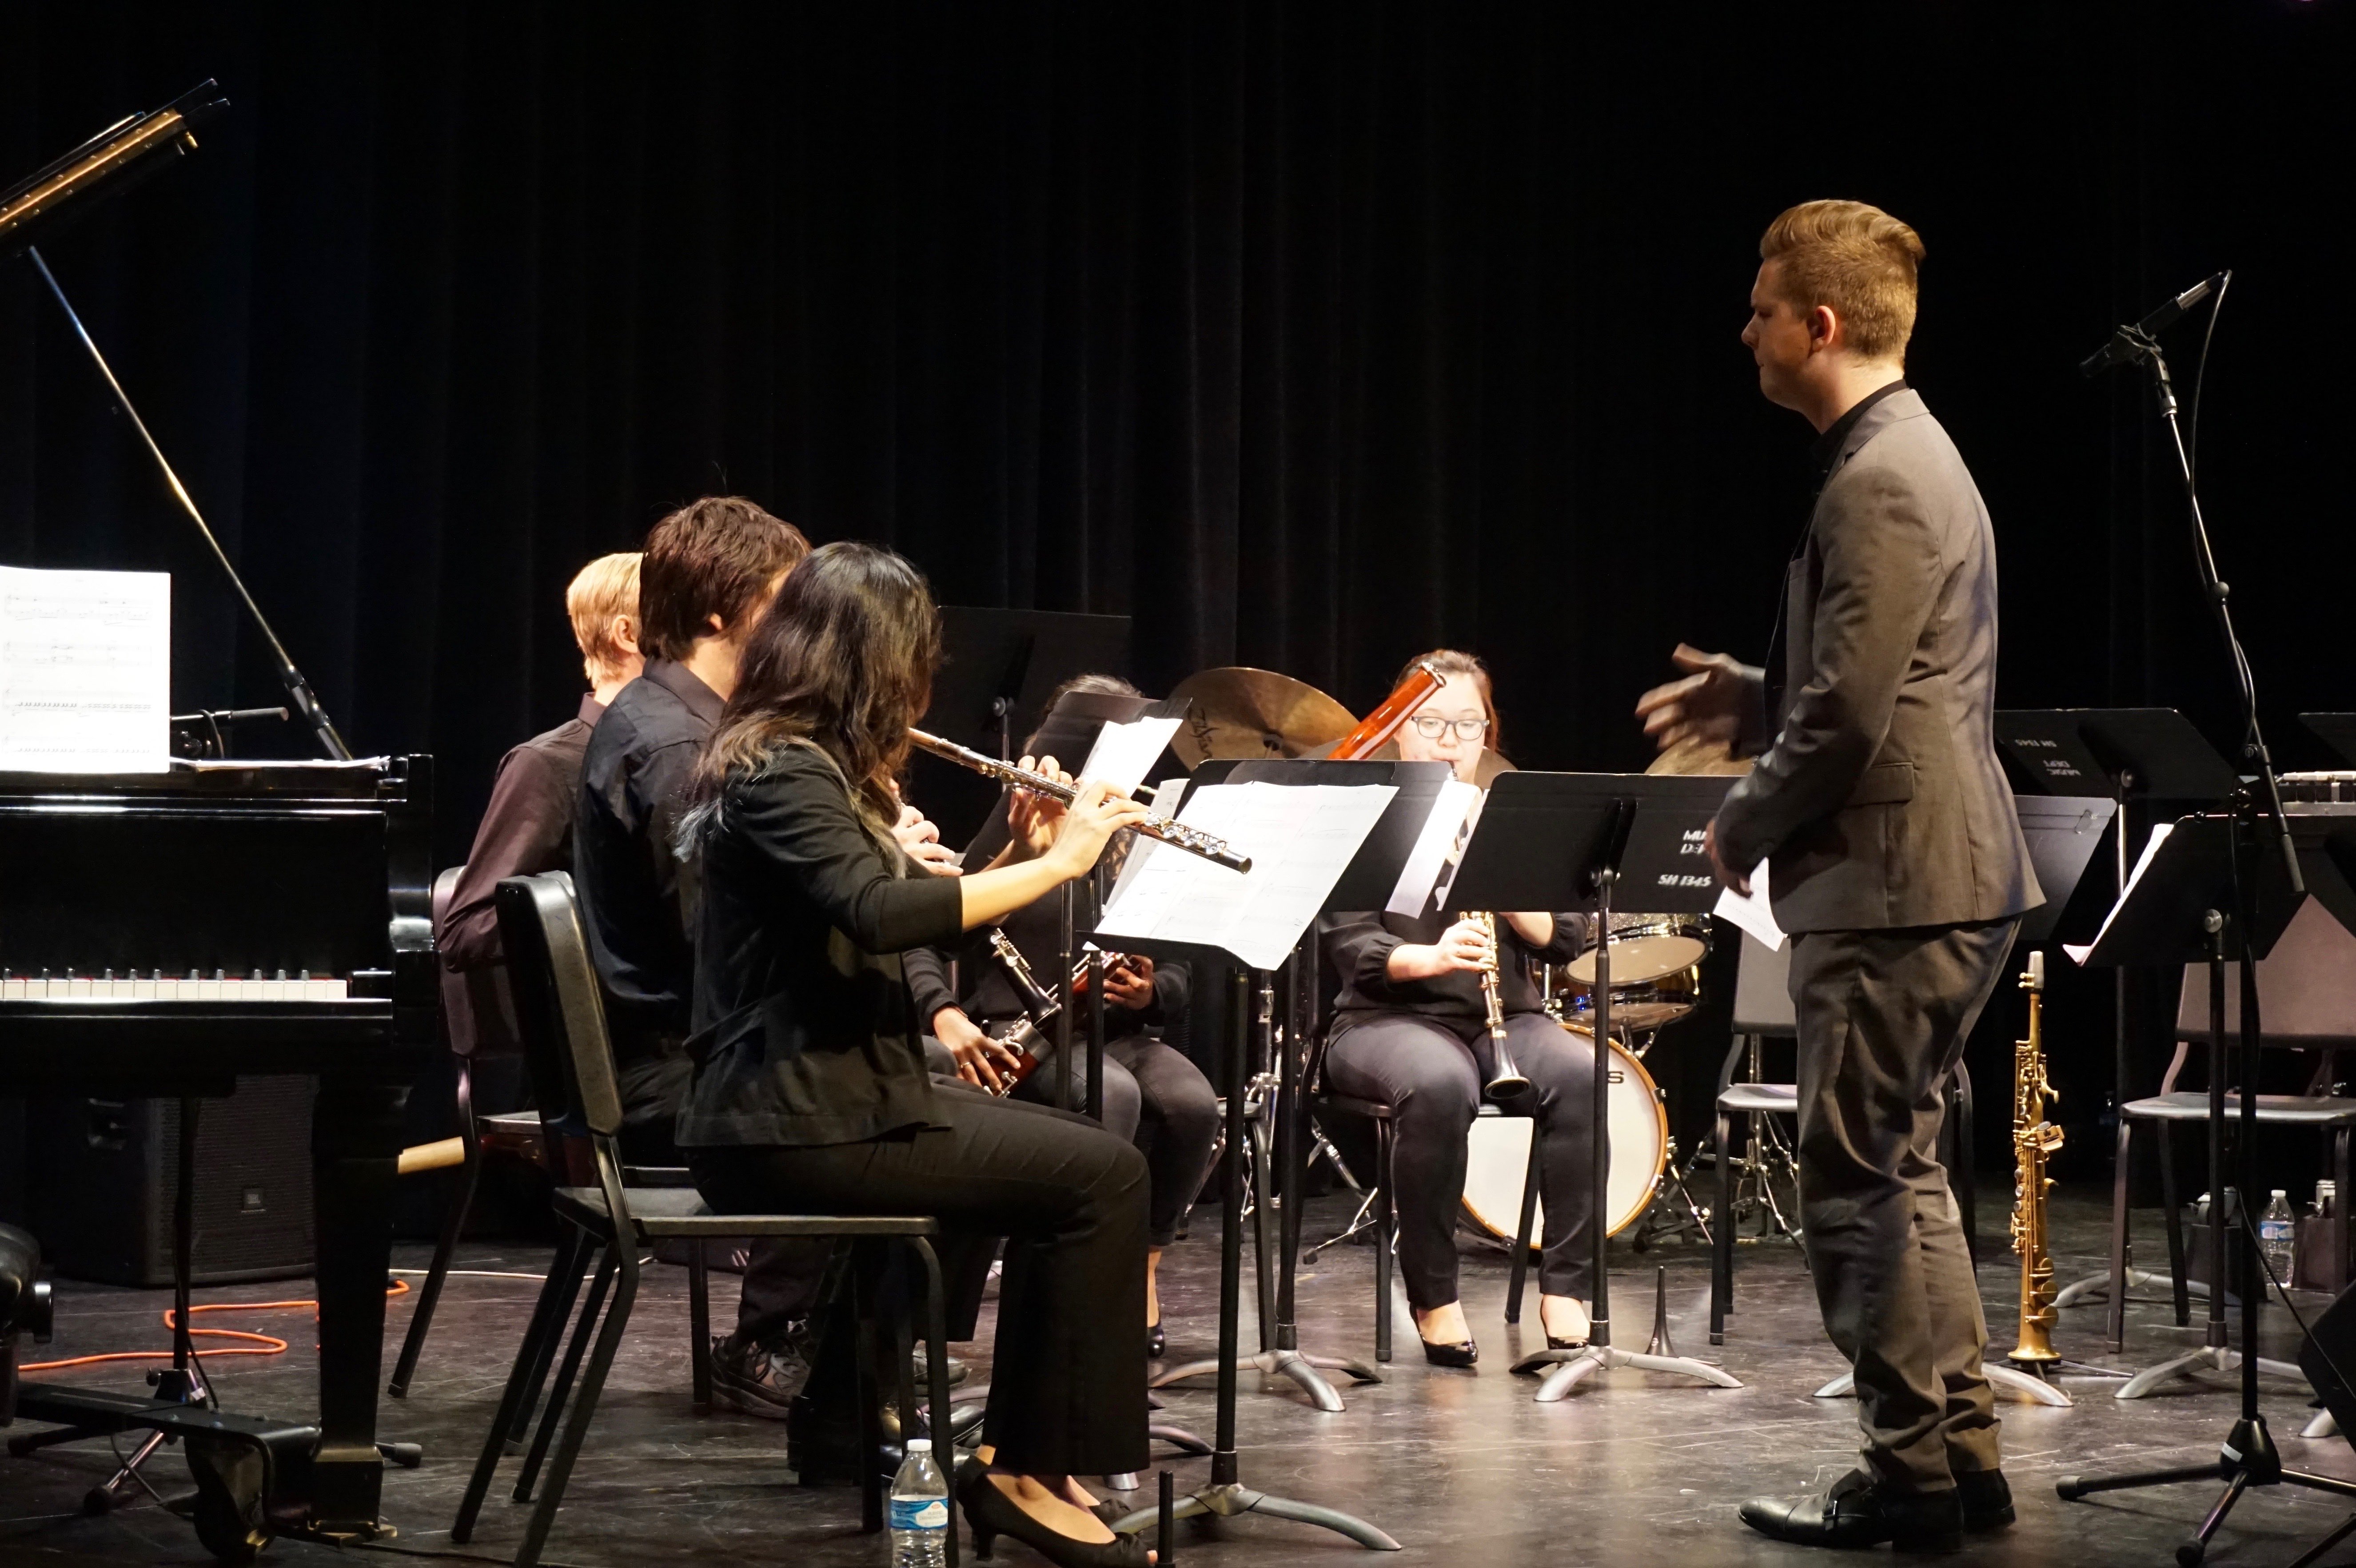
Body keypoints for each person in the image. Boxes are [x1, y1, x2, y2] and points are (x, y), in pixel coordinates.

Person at [1634, 200, 2040, 1552]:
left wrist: (1740, 820)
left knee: (1856, 1178)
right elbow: (1882, 680)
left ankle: (1909, 1473)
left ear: (1819, 324)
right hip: (1930, 871)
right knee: (1900, 1170)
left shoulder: (1879, 475)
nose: (1743, 329)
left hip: (1892, 878)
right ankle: (1957, 1460)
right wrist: (1760, 696)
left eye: (1759, 309)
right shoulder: (1902, 458)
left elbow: (1856, 717)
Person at [678, 542, 1155, 1568]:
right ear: (869, 663)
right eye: (914, 663)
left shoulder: (810, 771)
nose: (924, 687)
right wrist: (1062, 860)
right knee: (1102, 1176)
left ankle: (989, 1450)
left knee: (1082, 1160)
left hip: (844, 1094)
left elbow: (861, 908)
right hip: (791, 1117)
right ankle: (1027, 1471)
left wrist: (910, 848)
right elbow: (877, 915)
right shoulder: (777, 772)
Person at [570, 497, 843, 1423]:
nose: (805, 624)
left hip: (685, 1046)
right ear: (725, 614)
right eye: (786, 600)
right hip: (675, 1070)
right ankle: (780, 1343)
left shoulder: (676, 719)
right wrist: (863, 884)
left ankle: (847, 1349)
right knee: (891, 1093)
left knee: (926, 1085)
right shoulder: (683, 745)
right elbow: (718, 957)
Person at [904, 674, 1219, 1359]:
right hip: (1022, 1028)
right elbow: (930, 930)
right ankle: (1058, 1306)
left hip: (1115, 1031)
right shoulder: (1016, 813)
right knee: (1112, 1097)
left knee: (1193, 1105)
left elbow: (1177, 968)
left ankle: (1136, 1275)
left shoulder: (1135, 831)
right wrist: (946, 1015)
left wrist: (1149, 993)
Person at [1317, 649, 1598, 1366]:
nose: (1448, 740)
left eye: (1466, 725)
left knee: (1583, 1074)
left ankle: (1565, 1286)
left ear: (1486, 734)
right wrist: (1436, 957)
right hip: (1384, 1019)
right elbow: (1354, 947)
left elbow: (1565, 937)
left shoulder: (1501, 813)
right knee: (1441, 1086)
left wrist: (1498, 870)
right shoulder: (1367, 814)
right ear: (1400, 732)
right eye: (1431, 722)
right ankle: (1433, 1294)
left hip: (1503, 1016)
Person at [439, 552, 643, 997]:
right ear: (627, 634)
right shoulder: (549, 764)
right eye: (675, 621)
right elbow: (465, 928)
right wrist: (597, 914)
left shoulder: (689, 749)